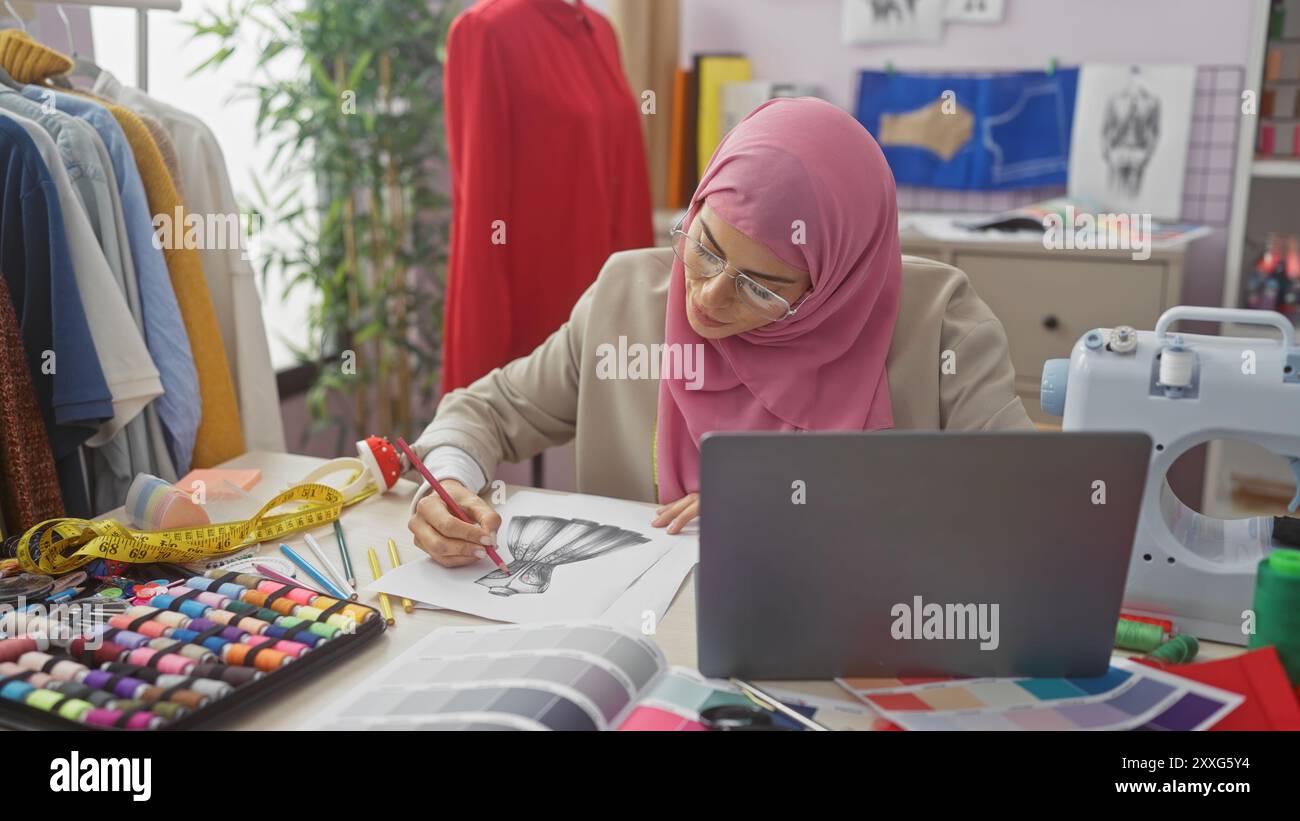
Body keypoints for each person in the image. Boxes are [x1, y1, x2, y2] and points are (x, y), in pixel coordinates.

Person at [407, 97, 1033, 568]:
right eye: (703, 247)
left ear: (835, 284)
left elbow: (1018, 499)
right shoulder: (627, 297)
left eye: (761, 286)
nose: (707, 295)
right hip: (643, 635)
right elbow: (489, 409)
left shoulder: (940, 327)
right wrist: (450, 483)